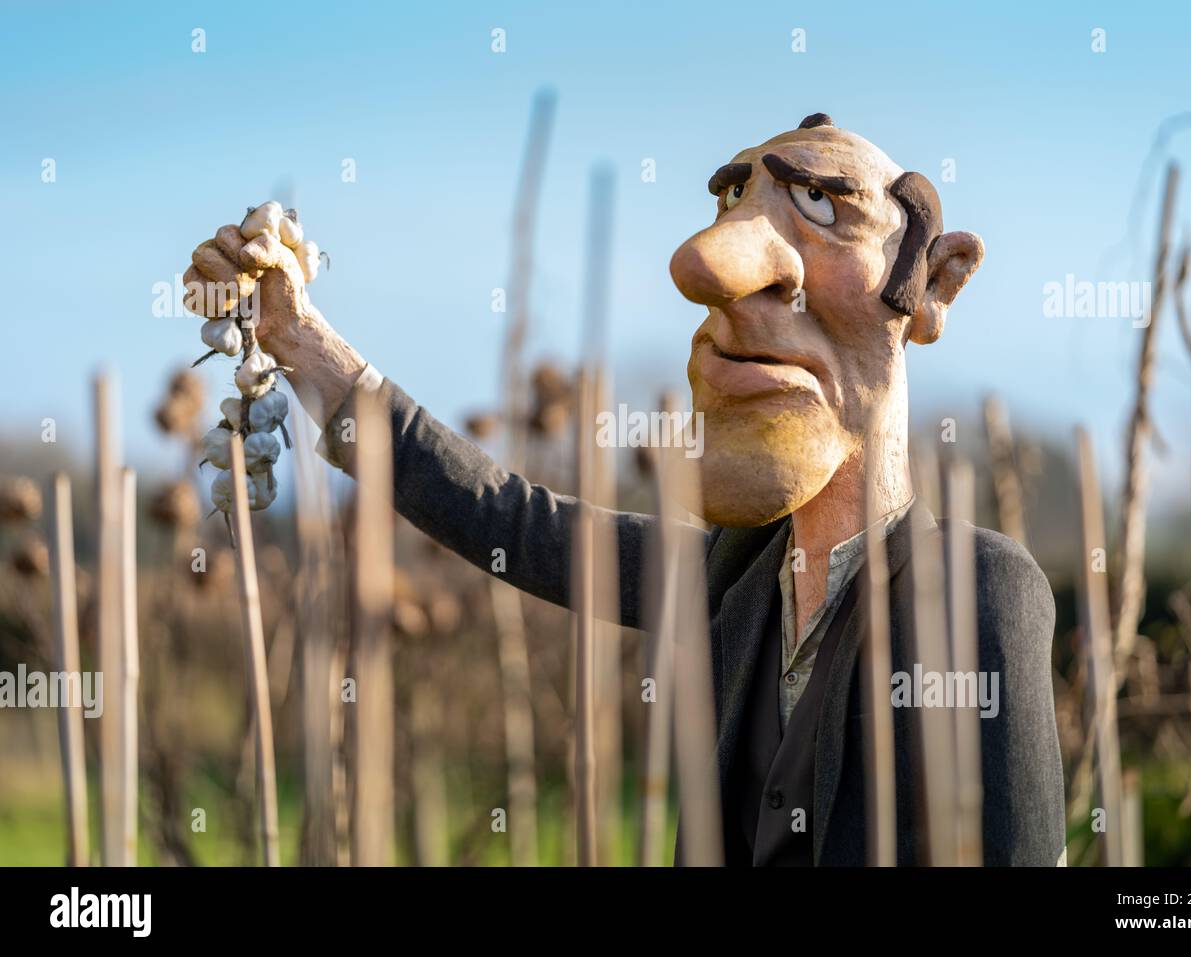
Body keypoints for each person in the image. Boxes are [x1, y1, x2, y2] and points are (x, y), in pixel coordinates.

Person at [183, 113, 1065, 866]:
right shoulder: (733, 577)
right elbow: (513, 521)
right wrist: (303, 344)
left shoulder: (978, 590)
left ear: (933, 284)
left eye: (821, 208)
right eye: (732, 203)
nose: (719, 267)